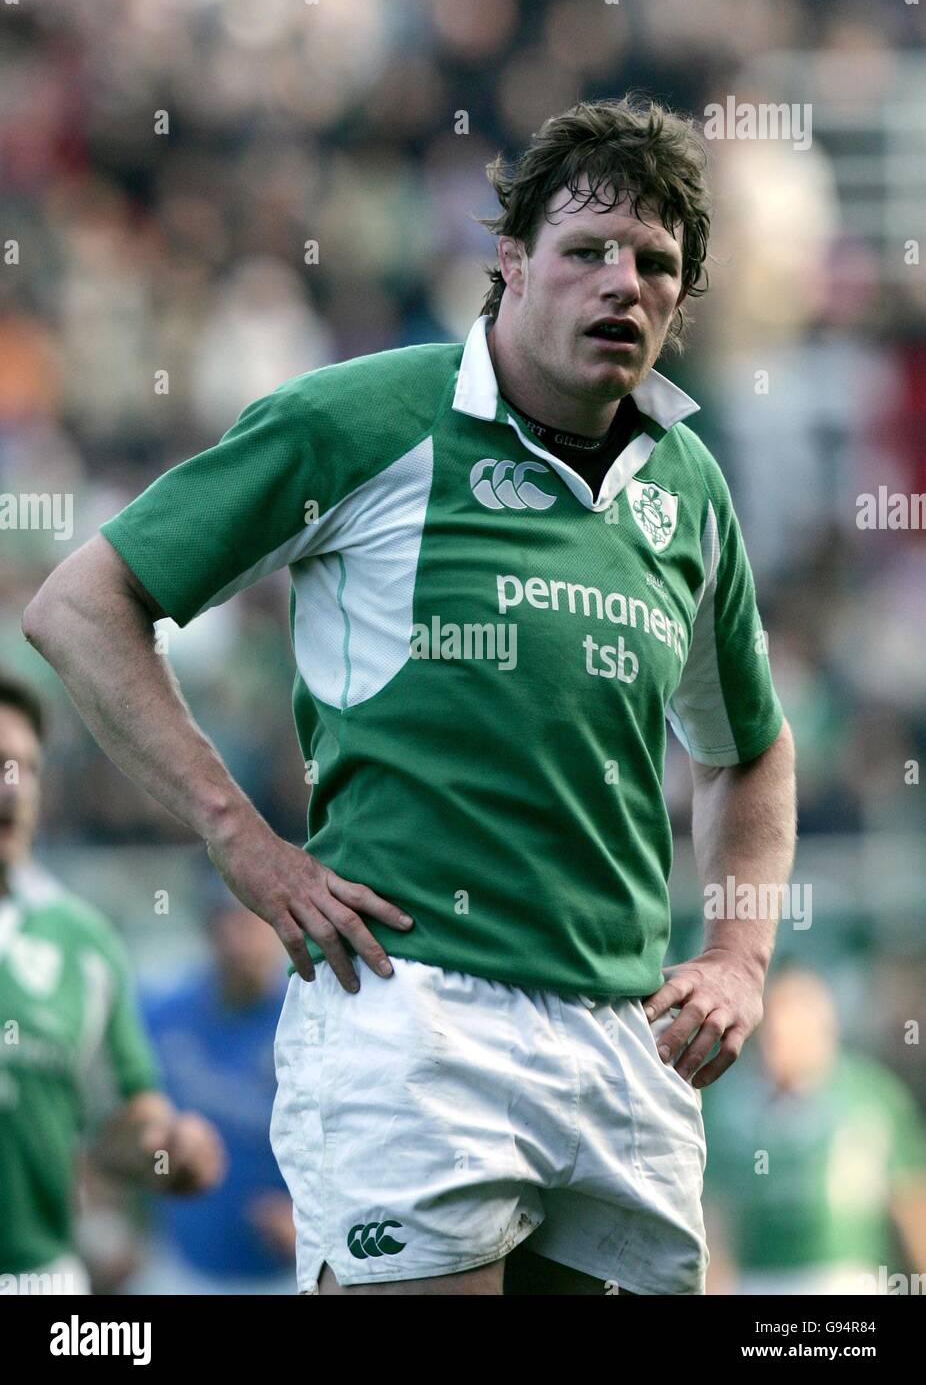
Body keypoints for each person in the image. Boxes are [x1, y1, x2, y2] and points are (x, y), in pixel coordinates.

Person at [22, 94, 796, 1296]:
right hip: (412, 1006)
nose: (623, 284)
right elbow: (81, 605)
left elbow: (747, 747)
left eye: (655, 264)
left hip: (622, 1038)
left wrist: (741, 953)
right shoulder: (366, 417)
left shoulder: (686, 483)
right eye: (586, 250)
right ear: (508, 263)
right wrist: (239, 837)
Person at [0, 675, 225, 1294]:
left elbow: (120, 1121)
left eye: (28, 769)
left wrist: (165, 1149)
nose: (13, 791)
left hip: (37, 1282)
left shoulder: (83, 942)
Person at [703, 966, 926, 1295]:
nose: (782, 1035)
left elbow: (912, 1204)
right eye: (775, 1023)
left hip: (849, 1281)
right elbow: (714, 1219)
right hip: (757, 1284)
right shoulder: (724, 1105)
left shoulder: (873, 1096)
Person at [129, 885, 296, 1294]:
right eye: (229, 924)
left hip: (285, 1274)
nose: (242, 942)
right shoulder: (161, 1012)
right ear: (208, 932)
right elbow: (119, 1111)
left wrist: (318, 1221)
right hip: (180, 1267)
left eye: (254, 925)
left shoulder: (306, 1018)